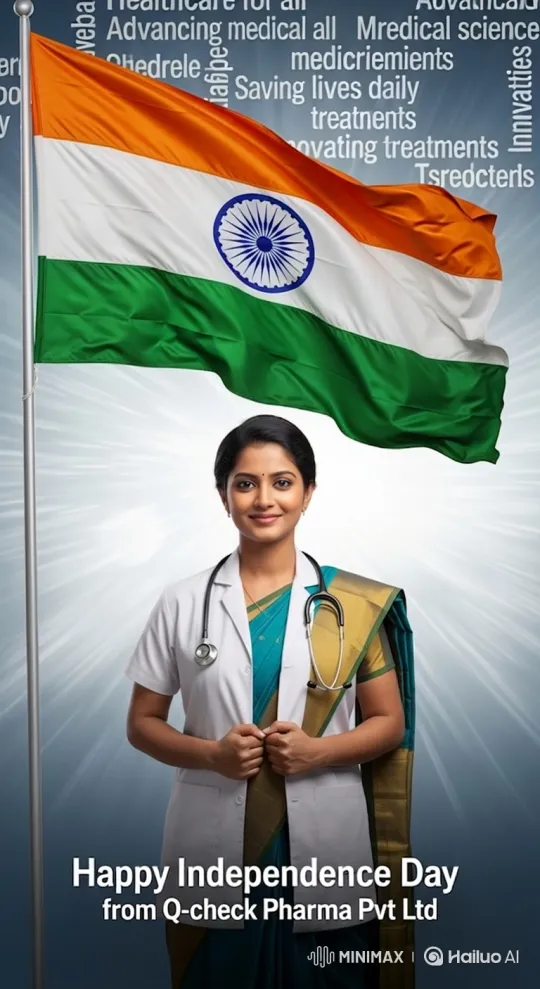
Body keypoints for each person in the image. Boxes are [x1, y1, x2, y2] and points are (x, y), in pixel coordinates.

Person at [125, 415, 415, 989]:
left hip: (324, 839)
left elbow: (389, 722)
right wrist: (212, 755)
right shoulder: (183, 601)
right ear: (223, 494)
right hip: (213, 841)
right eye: (245, 483)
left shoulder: (349, 603)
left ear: (308, 492)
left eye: (282, 482)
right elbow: (141, 723)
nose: (264, 499)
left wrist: (318, 752)